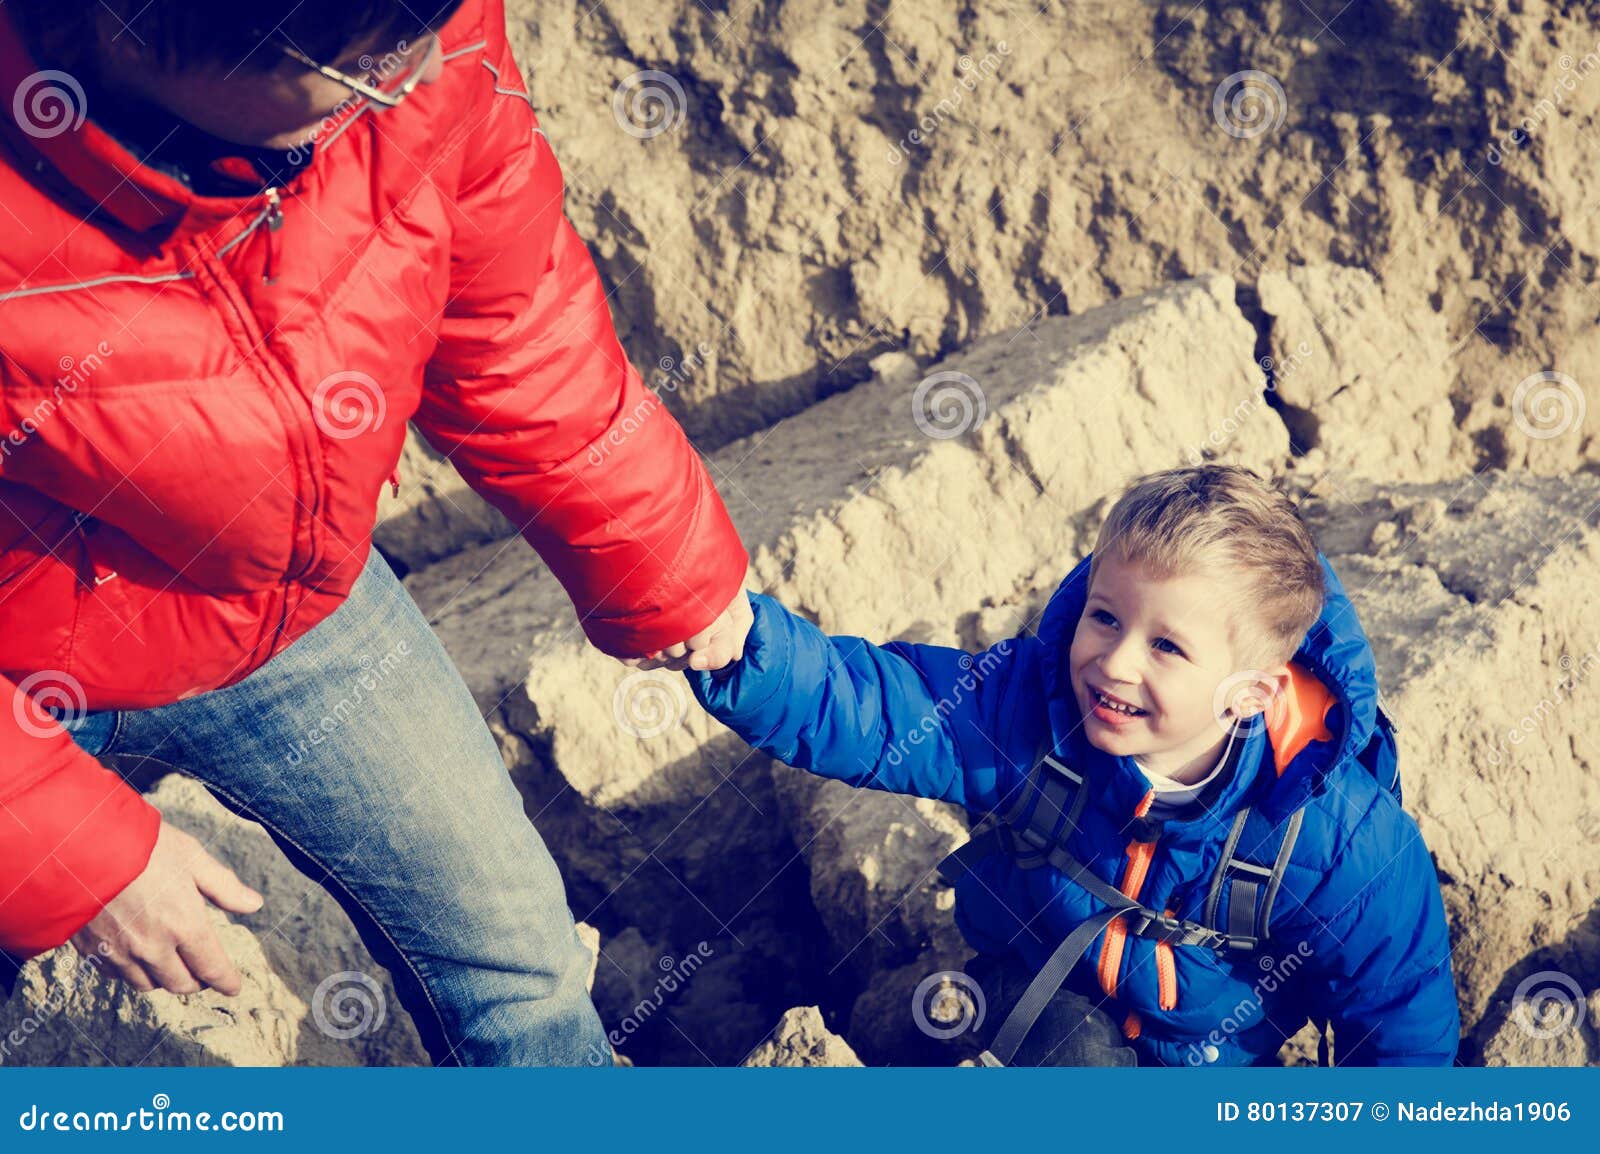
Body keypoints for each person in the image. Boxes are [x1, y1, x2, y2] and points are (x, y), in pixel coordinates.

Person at [0, 0, 752, 1065]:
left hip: (286, 610)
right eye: (364, 69)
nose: (425, 69)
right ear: (134, 34)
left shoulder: (403, 23)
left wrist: (662, 556)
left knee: (523, 973)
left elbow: (509, 310)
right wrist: (66, 849)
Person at [689, 465, 1460, 1066]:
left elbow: (1398, 1019)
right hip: (1041, 1001)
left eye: (1166, 646)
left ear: (1249, 695)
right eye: (1105, 616)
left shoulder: (1343, 840)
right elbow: (876, 705)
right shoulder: (1031, 712)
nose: (1113, 661)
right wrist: (744, 643)